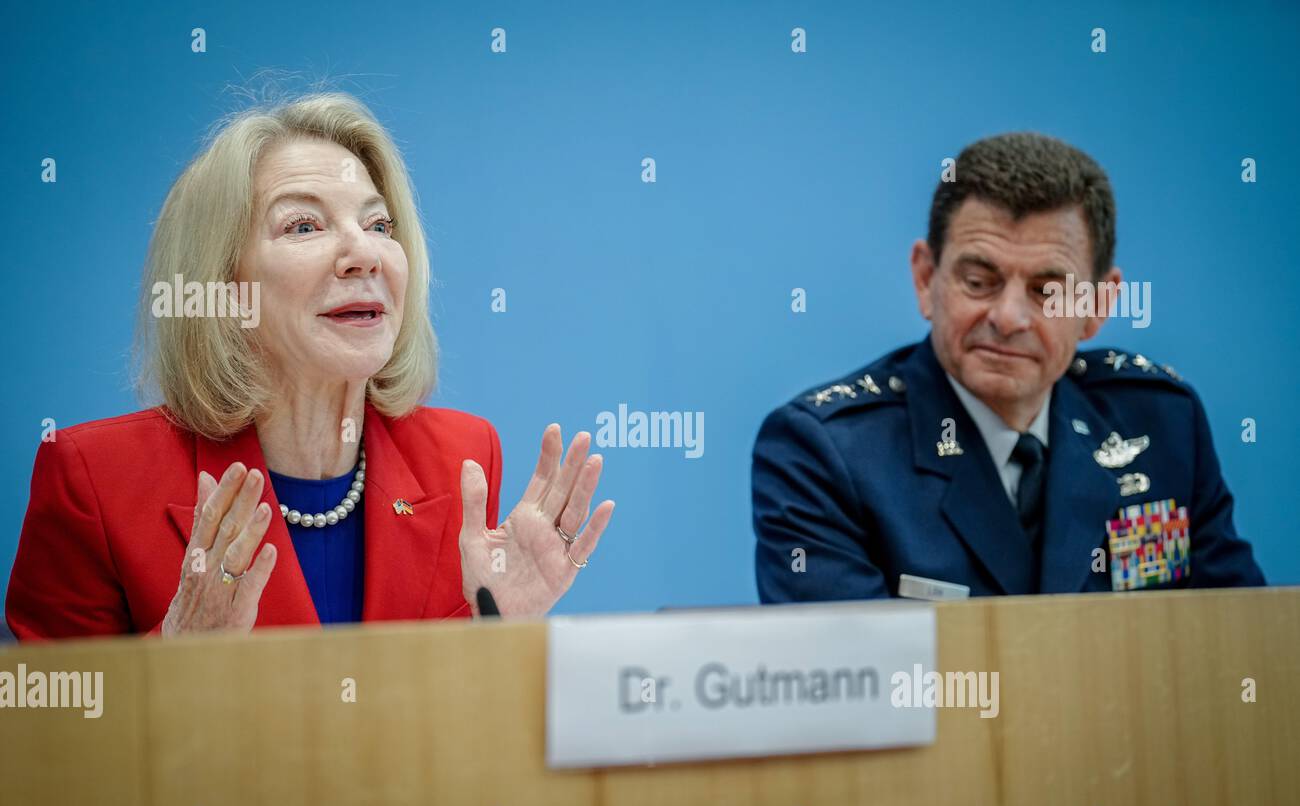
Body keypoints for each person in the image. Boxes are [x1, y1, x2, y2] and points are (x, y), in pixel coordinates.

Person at [7, 93, 614, 640]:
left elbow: (435, 743)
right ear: (222, 284)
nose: (363, 253)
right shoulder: (93, 481)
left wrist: (493, 635)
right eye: (304, 225)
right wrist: (173, 661)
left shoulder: (460, 458)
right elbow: (44, 752)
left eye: (378, 224)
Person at [753, 132, 1263, 602]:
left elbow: (1236, 653)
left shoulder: (1162, 426)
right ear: (926, 278)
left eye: (1047, 292)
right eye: (979, 281)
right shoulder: (826, 454)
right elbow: (858, 685)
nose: (1008, 317)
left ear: (1099, 305)